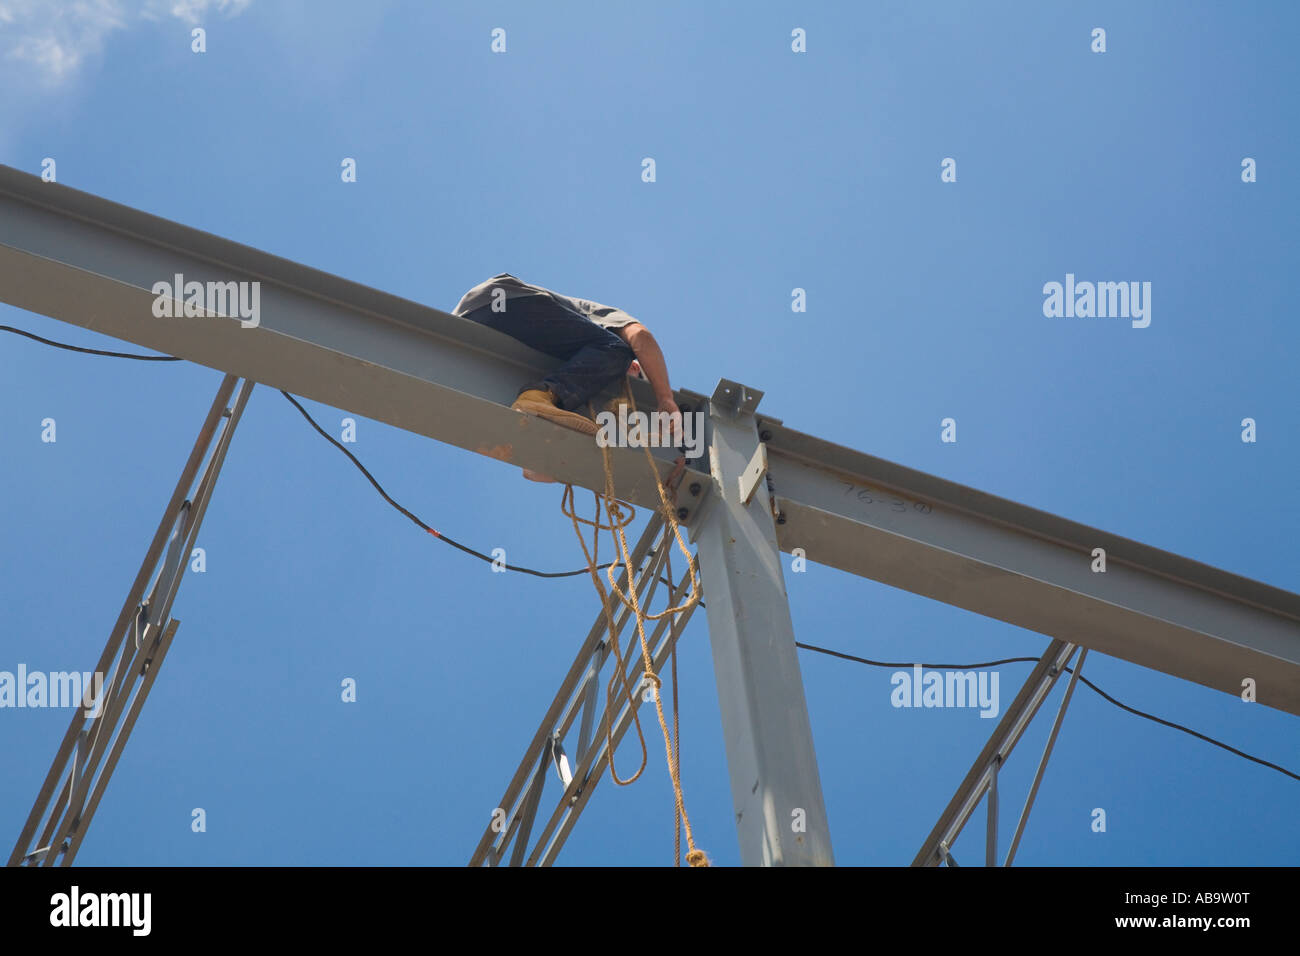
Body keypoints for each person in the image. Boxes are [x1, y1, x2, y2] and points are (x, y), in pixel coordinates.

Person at [452, 273, 681, 442]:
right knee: (618, 349)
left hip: (476, 319)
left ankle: (537, 399)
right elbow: (640, 336)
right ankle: (536, 396)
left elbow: (538, 472)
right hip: (505, 299)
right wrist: (664, 398)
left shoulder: (574, 369)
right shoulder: (606, 328)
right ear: (634, 367)